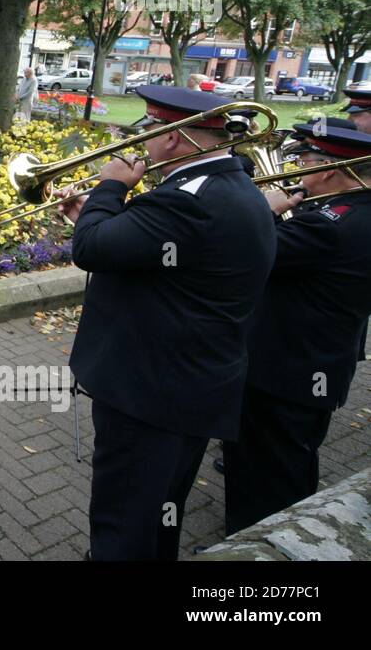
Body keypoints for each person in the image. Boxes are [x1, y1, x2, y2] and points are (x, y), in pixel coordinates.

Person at [57, 86, 276, 560]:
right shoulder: (231, 187)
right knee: (161, 511)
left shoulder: (188, 200)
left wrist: (109, 189)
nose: (142, 141)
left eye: (149, 129)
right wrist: (100, 221)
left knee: (122, 521)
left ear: (174, 138)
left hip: (150, 393)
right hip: (190, 385)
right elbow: (146, 251)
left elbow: (91, 250)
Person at [222, 124, 371, 535]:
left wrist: (264, 210)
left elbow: (250, 253)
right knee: (289, 459)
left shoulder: (331, 223)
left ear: (327, 170)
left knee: (266, 467)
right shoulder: (349, 210)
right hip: (317, 362)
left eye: (305, 162)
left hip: (285, 368)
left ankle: (257, 544)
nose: (298, 169)